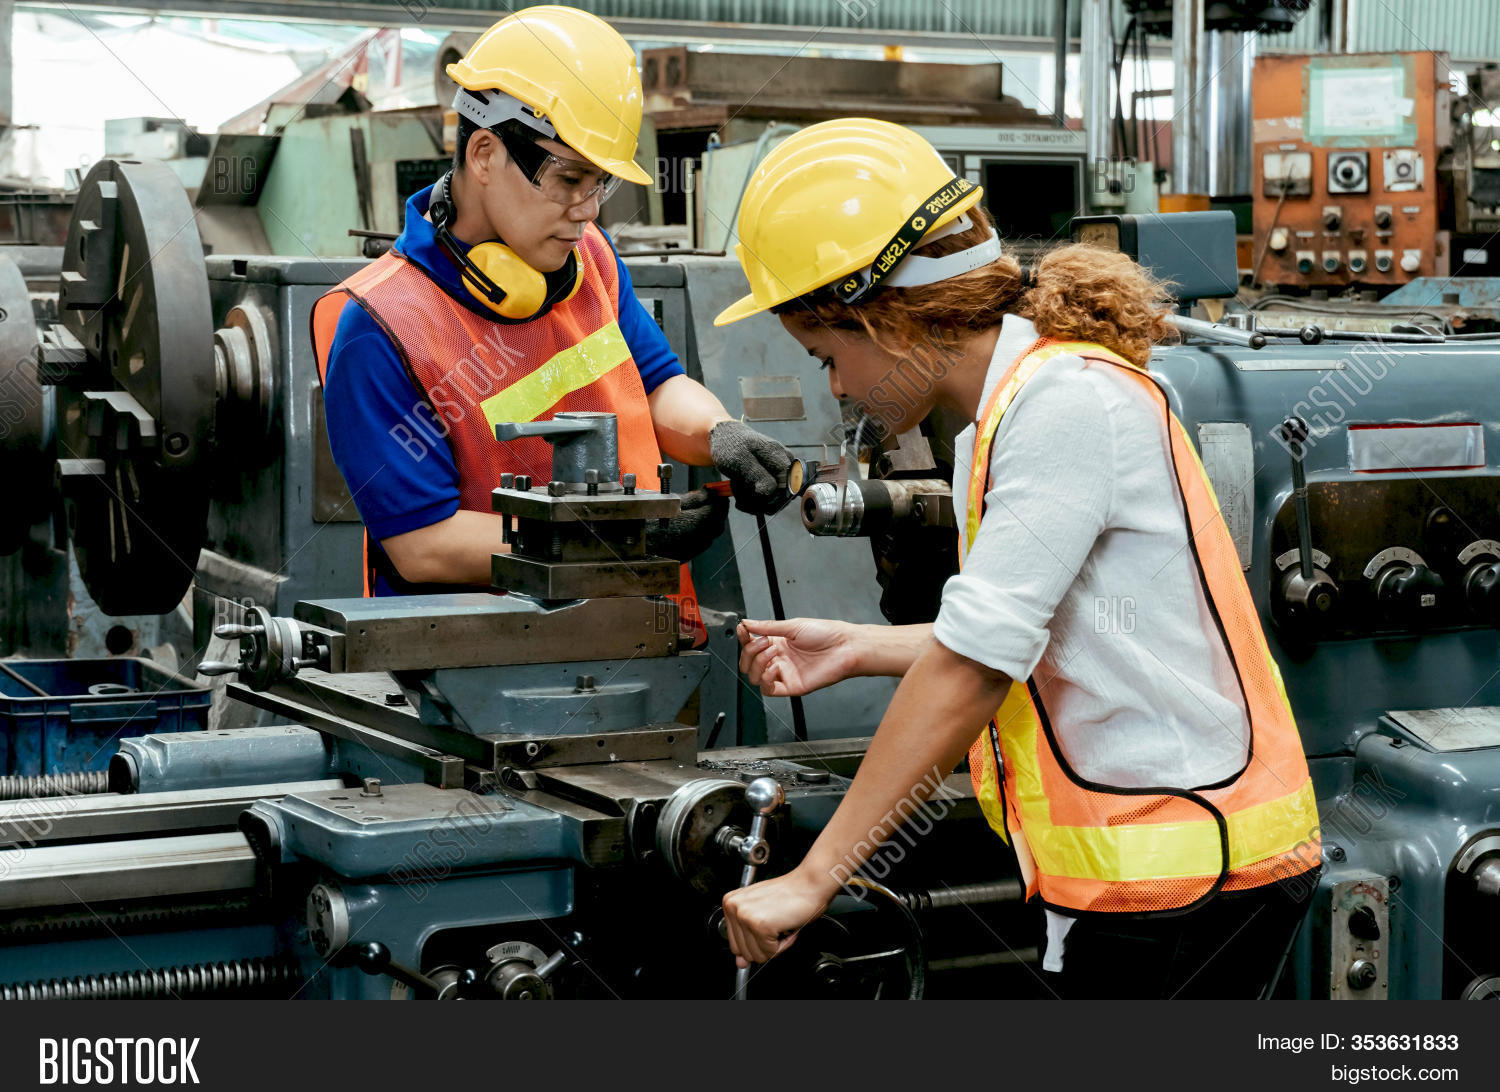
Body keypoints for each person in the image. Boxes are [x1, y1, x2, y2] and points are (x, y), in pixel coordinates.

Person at [715, 118, 1321, 999]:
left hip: (1186, 875)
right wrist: (858, 646)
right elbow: (1051, 630)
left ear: (880, 313)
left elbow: (975, 665)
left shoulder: (1062, 404)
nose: (837, 389)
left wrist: (815, 879)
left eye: (827, 357)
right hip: (1164, 869)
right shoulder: (1006, 416)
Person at [311, 6, 791, 611]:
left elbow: (655, 383)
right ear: (484, 154)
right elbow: (421, 542)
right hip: (474, 672)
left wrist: (720, 434)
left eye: (599, 184)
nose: (588, 210)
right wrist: (612, 540)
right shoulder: (381, 325)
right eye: (568, 179)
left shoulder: (590, 260)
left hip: (634, 635)